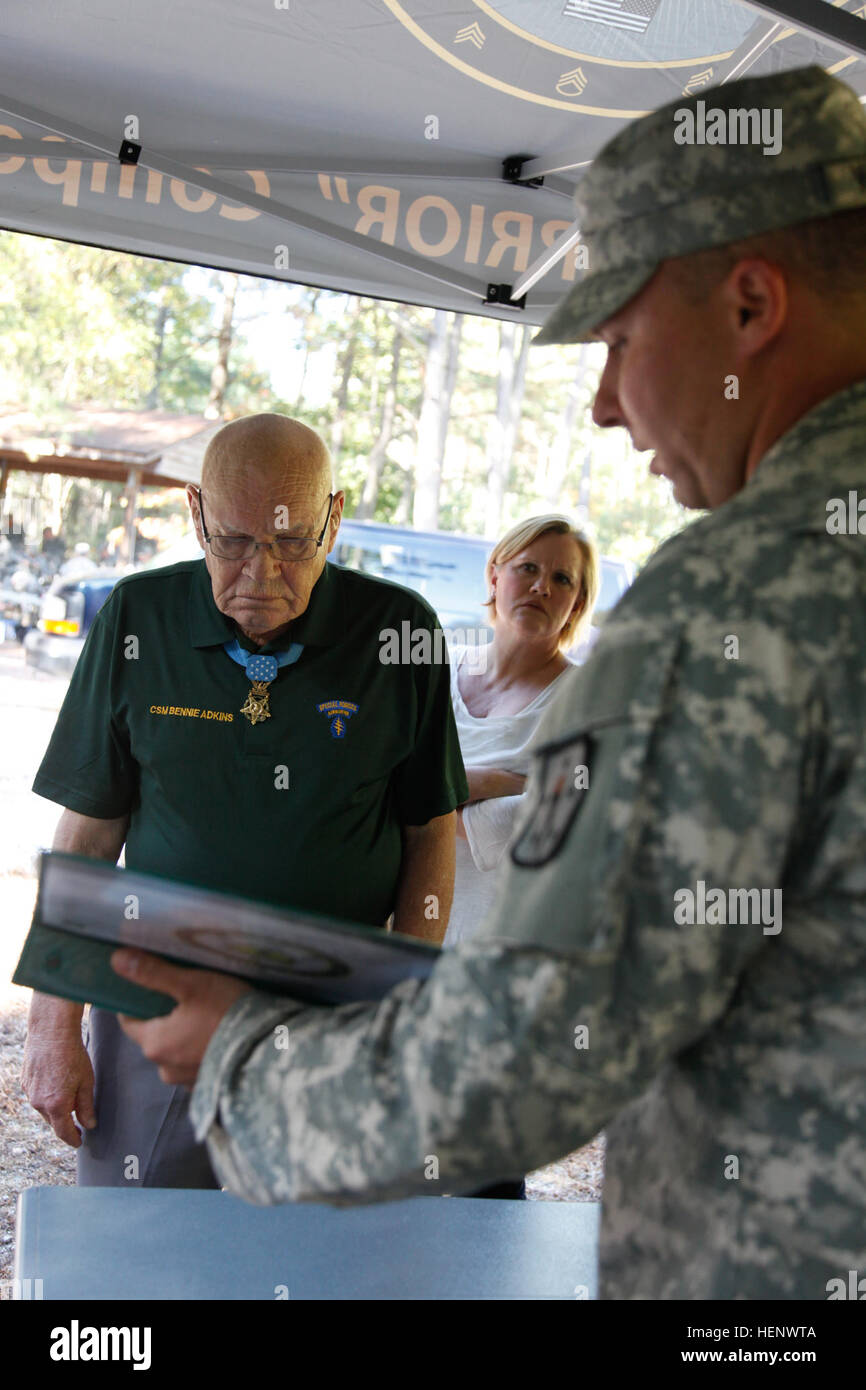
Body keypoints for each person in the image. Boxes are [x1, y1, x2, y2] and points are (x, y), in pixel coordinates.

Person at [114, 66, 866, 1298]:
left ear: (748, 303)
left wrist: (241, 1060)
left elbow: (528, 1053)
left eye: (620, 335)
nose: (606, 402)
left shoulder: (742, 603)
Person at [23, 414, 467, 1189]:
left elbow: (430, 828)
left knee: (318, 1241)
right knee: (145, 1234)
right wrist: (52, 1026)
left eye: (292, 543)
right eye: (232, 541)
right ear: (195, 513)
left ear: (334, 517)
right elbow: (87, 836)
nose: (260, 572)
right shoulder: (138, 617)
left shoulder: (402, 634)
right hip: (154, 997)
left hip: (337, 1004)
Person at [446, 515, 598, 948]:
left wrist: (423, 799)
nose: (542, 588)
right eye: (528, 568)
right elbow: (376, 778)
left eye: (562, 578)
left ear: (578, 602)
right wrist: (508, 782)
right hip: (403, 929)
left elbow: (555, 820)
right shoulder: (433, 666)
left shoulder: (587, 699)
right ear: (494, 575)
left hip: (508, 947)